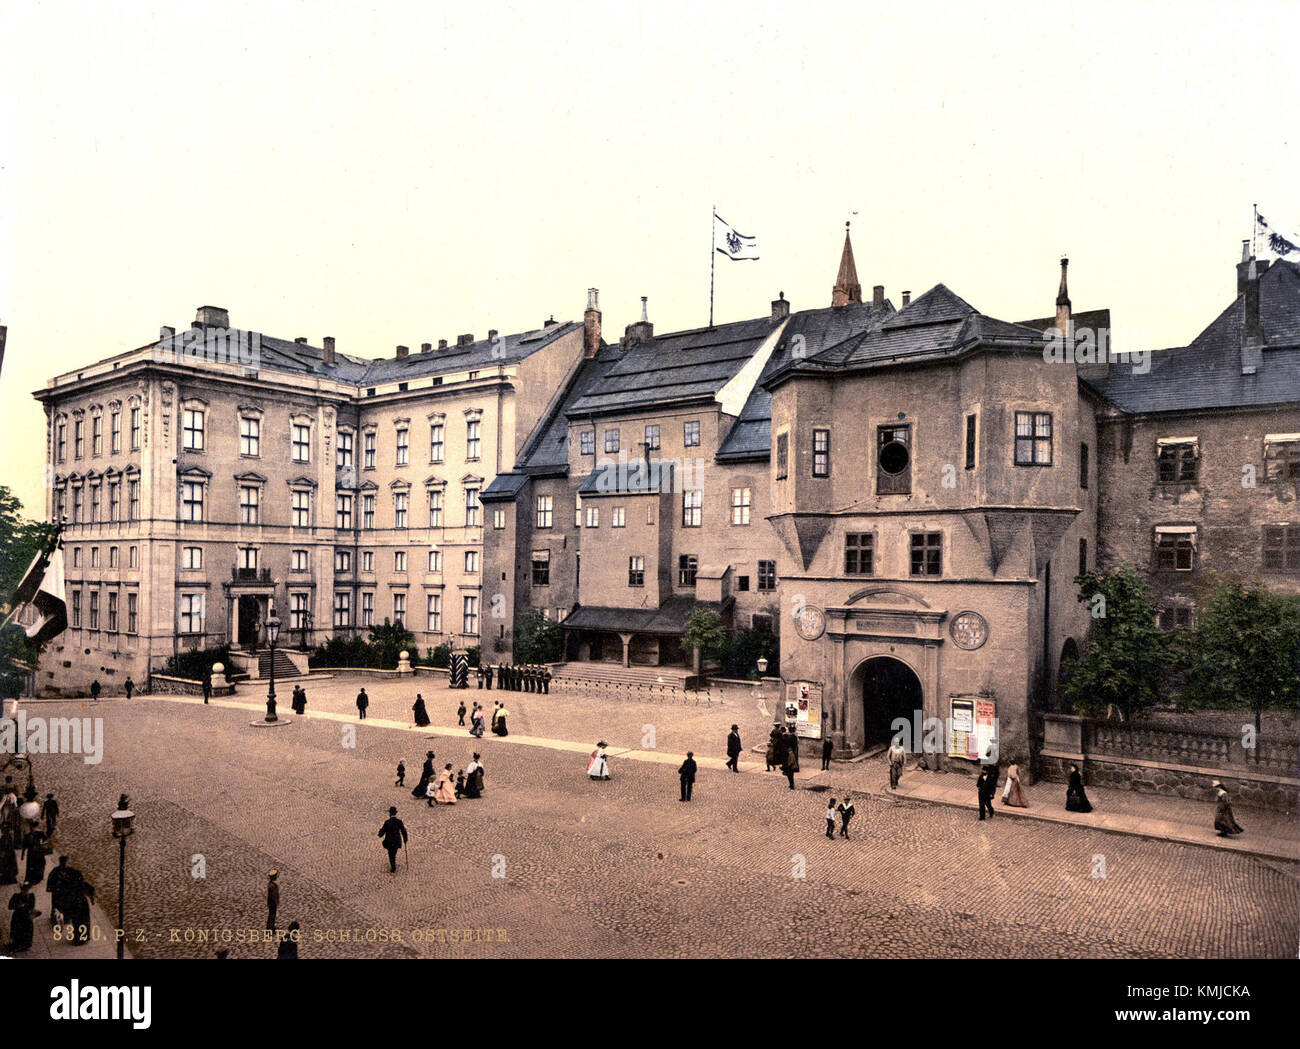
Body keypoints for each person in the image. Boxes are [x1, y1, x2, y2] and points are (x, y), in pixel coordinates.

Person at [6, 883, 38, 952]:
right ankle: (17, 944)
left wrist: (26, 907)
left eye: (27, 890)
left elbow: (32, 906)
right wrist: (18, 906)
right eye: (24, 890)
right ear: (21, 890)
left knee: (27, 930)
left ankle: (26, 944)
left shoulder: (31, 896)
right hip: (18, 916)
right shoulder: (16, 896)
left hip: (26, 916)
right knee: (17, 930)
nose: (26, 891)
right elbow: (10, 906)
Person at [378, 807, 408, 873]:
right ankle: (393, 864)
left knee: (390, 853)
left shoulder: (387, 822)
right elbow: (403, 830)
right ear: (396, 813)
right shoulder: (399, 821)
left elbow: (382, 832)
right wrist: (405, 839)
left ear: (390, 814)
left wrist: (380, 833)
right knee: (394, 852)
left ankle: (393, 865)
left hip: (389, 841)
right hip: (396, 841)